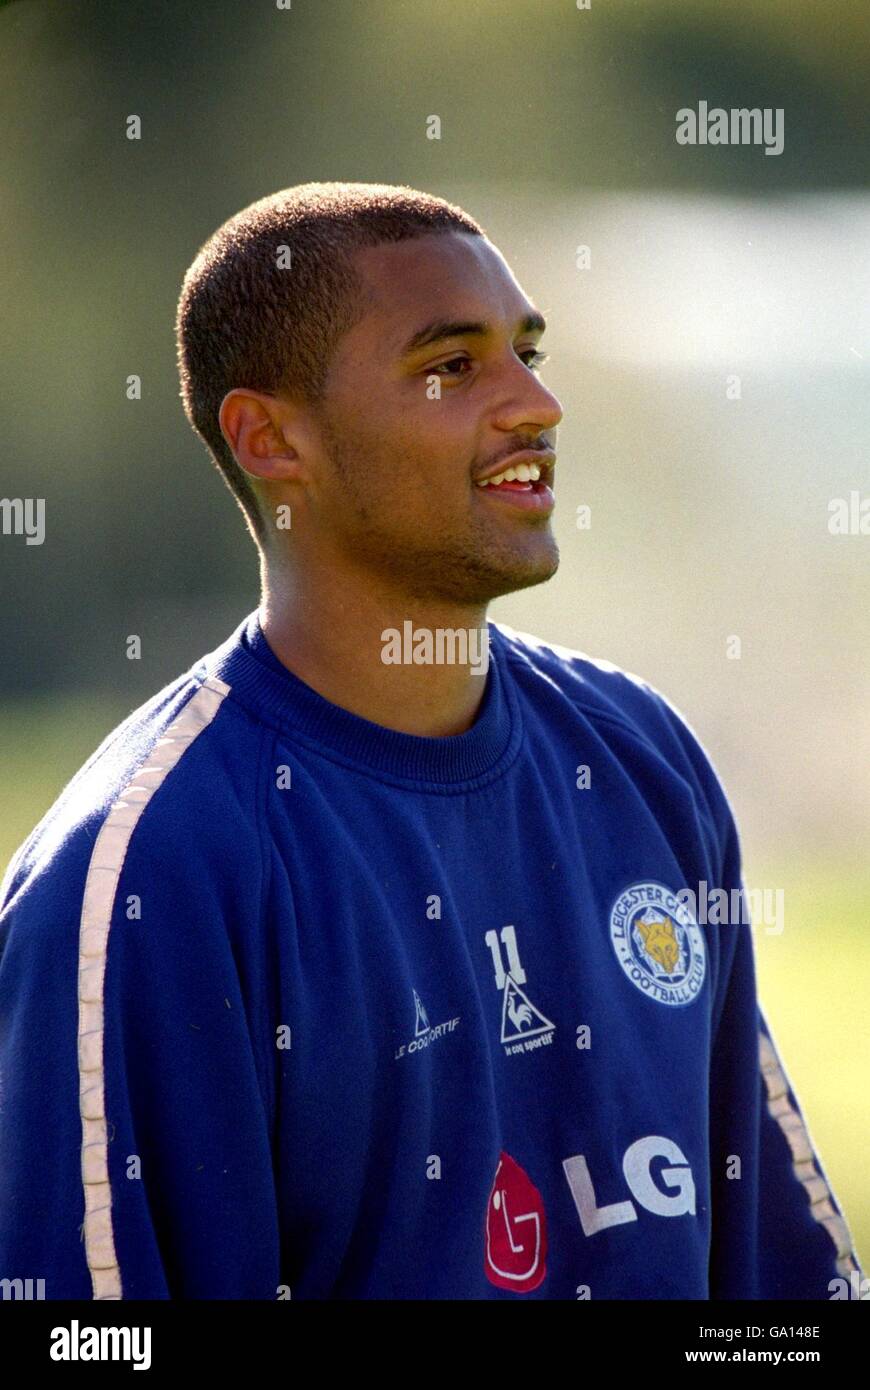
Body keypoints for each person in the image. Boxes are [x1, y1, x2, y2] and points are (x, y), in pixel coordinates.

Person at [0, 182, 863, 1301]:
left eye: (529, 353)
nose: (535, 406)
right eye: (452, 367)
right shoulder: (149, 874)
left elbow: (778, 1284)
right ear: (272, 440)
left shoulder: (644, 763)